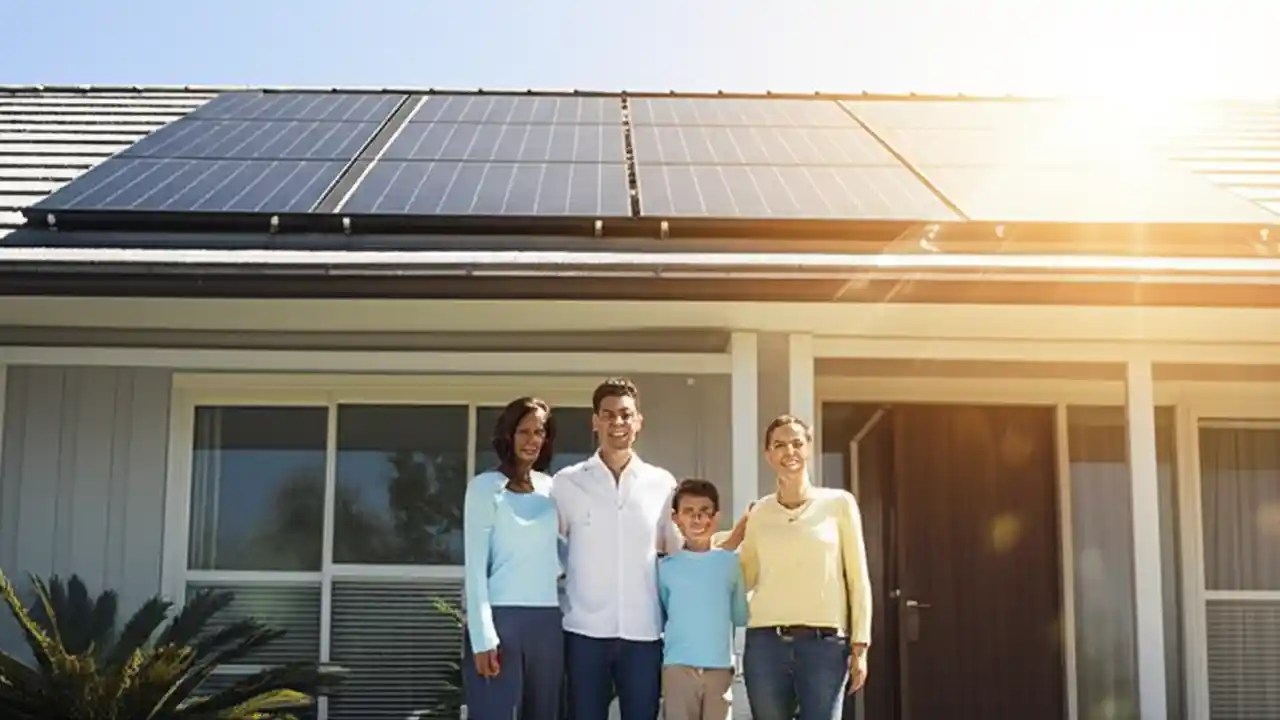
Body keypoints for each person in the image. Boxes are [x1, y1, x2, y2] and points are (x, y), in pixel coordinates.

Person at [552, 377, 682, 720]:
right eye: (608, 415)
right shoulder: (567, 482)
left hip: (644, 633)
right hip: (583, 633)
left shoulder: (662, 484)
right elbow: (547, 554)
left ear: (638, 421)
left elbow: (679, 555)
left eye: (626, 415)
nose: (617, 422)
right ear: (595, 422)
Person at [738, 414, 872, 720]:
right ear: (768, 455)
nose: (789, 451)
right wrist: (703, 549)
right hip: (766, 645)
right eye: (779, 445)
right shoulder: (759, 513)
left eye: (797, 443)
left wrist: (860, 646)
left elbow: (858, 578)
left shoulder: (839, 504)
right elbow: (743, 575)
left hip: (824, 647)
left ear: (808, 448)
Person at [462, 397, 564, 720]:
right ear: (508, 434)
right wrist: (482, 638)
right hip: (501, 620)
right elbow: (475, 568)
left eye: (539, 432)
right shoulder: (484, 488)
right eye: (524, 431)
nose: (532, 440)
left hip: (548, 621)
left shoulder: (553, 489)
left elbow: (567, 555)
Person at [658, 479, 749, 720]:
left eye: (704, 511)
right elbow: (664, 613)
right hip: (678, 668)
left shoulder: (731, 564)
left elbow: (740, 614)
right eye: (688, 511)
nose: (697, 518)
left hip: (719, 669)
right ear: (676, 518)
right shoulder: (665, 568)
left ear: (716, 517)